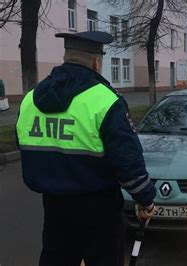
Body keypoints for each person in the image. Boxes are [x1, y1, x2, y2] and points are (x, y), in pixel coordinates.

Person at [15, 31, 157, 265]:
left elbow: (25, 144)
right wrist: (145, 199)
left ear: (66, 57)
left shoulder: (30, 99)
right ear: (96, 61)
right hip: (99, 209)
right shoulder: (106, 101)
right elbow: (127, 161)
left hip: (54, 206)